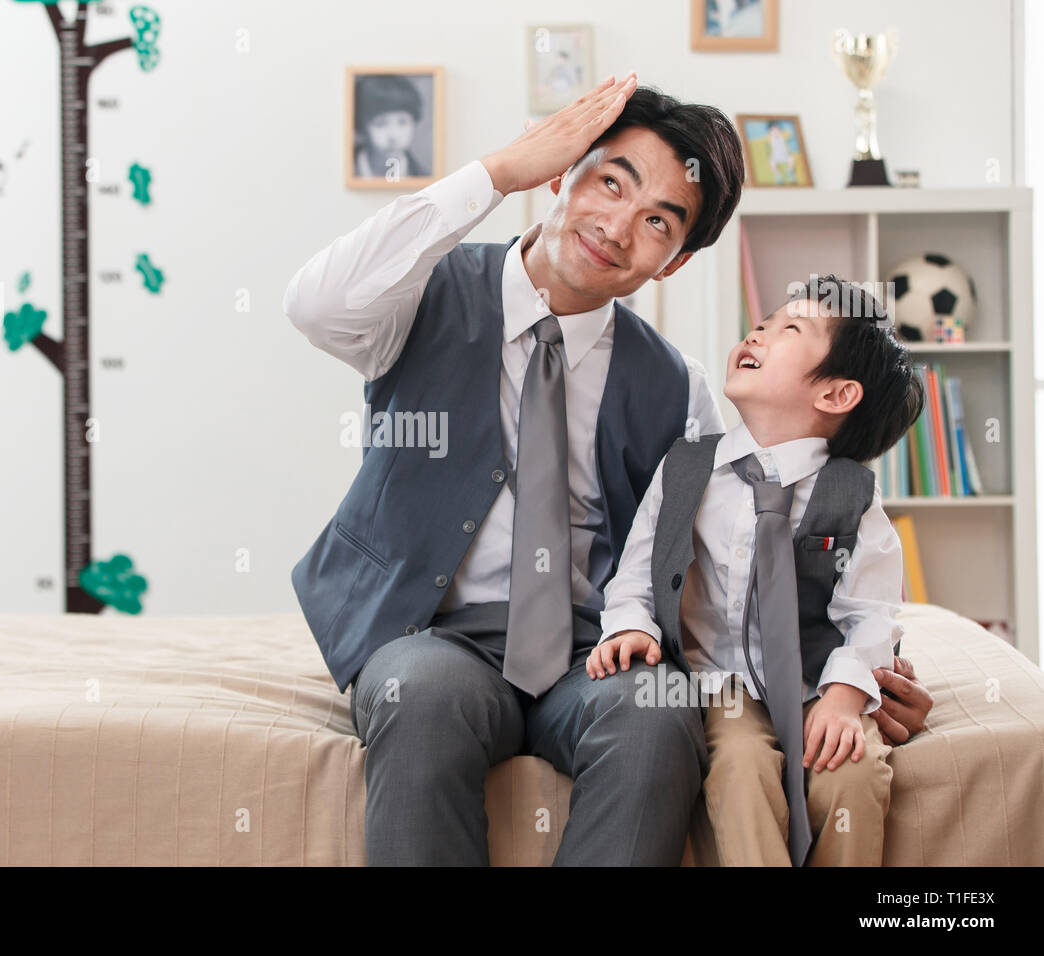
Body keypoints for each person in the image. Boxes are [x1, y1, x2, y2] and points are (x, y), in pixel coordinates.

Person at [285, 73, 932, 866]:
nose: (618, 226)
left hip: (595, 652)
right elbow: (313, 306)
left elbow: (736, 552)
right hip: (431, 636)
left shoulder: (679, 386)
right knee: (419, 697)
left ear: (673, 263)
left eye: (659, 221)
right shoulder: (423, 293)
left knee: (657, 715)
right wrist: (500, 171)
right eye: (609, 182)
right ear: (561, 174)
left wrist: (851, 678)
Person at [589, 276, 925, 865]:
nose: (758, 332)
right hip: (723, 686)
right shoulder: (685, 468)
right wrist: (629, 626)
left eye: (789, 329)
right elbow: (635, 573)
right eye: (764, 322)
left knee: (855, 772)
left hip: (816, 683)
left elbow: (871, 614)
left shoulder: (853, 495)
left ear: (837, 395)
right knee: (740, 767)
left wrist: (846, 697)